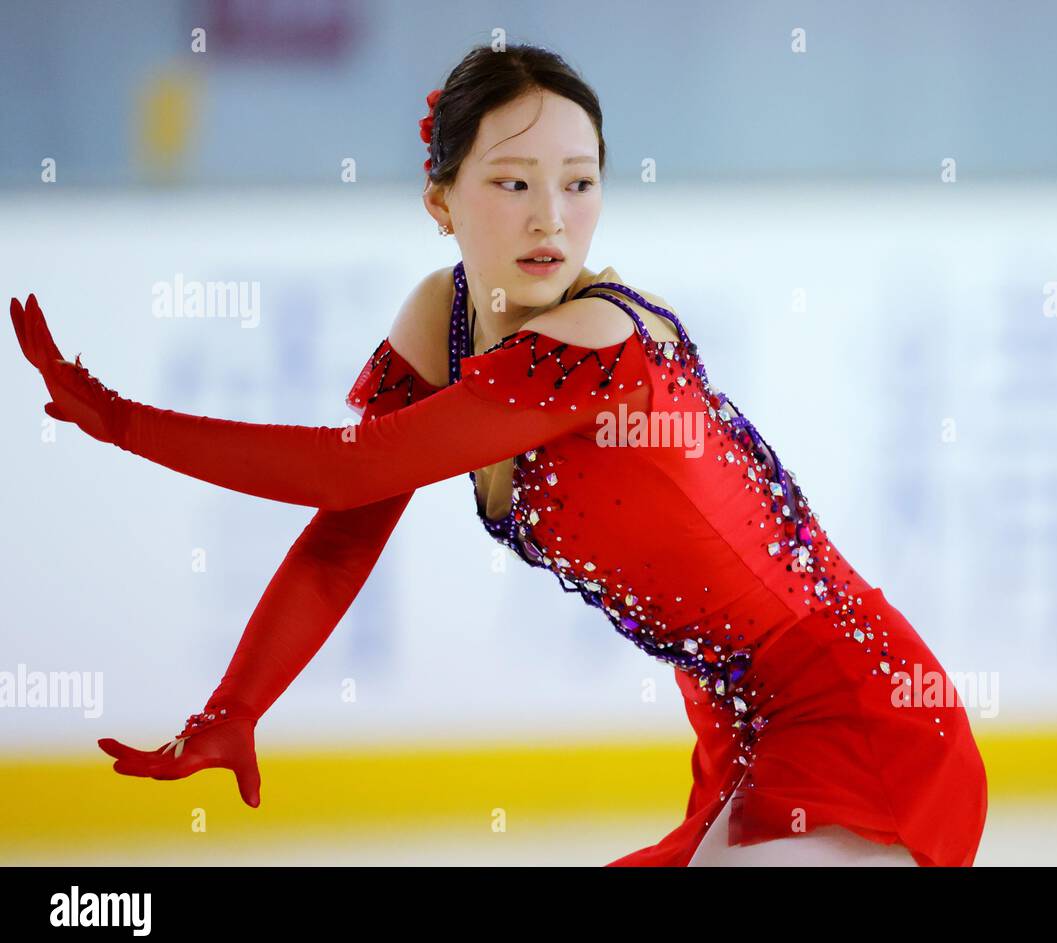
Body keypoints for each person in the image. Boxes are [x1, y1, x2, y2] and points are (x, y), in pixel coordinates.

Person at [8, 43, 987, 867]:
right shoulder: (445, 319)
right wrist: (236, 705)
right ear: (441, 199)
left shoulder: (603, 336)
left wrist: (122, 421)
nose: (550, 217)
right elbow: (351, 519)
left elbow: (349, 465)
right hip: (740, 726)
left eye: (579, 182)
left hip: (861, 714)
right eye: (513, 183)